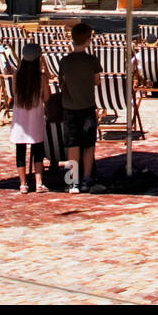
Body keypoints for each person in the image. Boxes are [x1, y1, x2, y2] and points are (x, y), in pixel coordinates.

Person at [58, 23, 104, 194]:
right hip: (87, 106)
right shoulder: (92, 60)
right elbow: (97, 80)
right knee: (88, 144)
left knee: (73, 144)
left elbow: (61, 81)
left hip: (69, 107)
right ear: (88, 41)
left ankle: (72, 180)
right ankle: (86, 178)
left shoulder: (65, 61)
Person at [10, 42, 50, 194]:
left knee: (20, 150)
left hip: (20, 117)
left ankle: (23, 184)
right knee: (37, 148)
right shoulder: (41, 78)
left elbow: (14, 94)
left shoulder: (17, 76)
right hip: (35, 115)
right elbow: (46, 97)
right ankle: (39, 182)